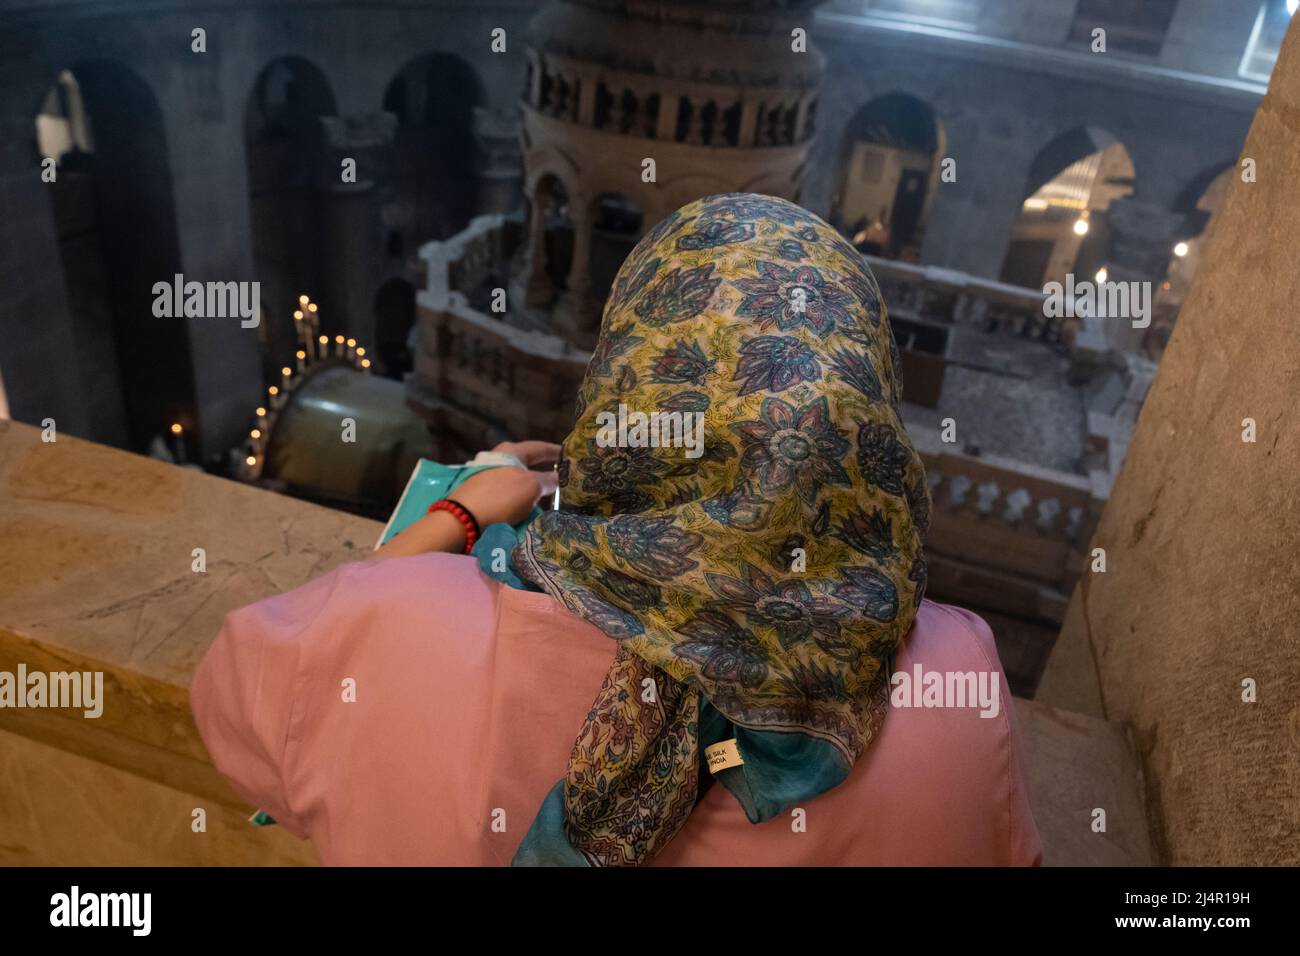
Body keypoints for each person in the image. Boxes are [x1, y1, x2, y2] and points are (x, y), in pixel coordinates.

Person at [192, 193, 1041, 866]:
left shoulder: (374, 638)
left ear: (624, 384)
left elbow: (238, 706)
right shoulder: (956, 687)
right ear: (864, 407)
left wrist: (458, 515)